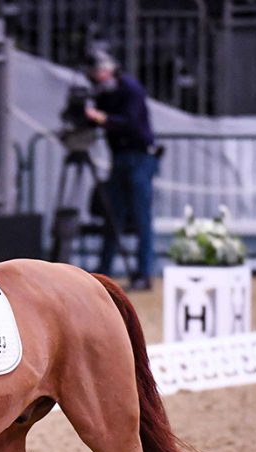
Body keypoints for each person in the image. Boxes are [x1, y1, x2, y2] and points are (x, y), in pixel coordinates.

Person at [84, 51, 158, 290]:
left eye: (100, 71)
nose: (98, 76)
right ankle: (103, 274)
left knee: (140, 217)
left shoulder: (130, 90)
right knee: (112, 216)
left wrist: (102, 118)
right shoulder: (102, 93)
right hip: (119, 158)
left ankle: (144, 273)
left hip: (140, 156)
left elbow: (131, 124)